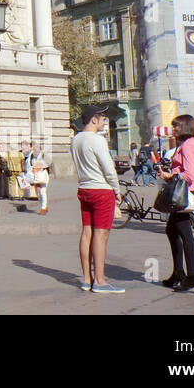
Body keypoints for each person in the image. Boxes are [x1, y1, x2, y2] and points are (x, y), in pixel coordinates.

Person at [71, 104, 124, 294]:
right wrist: (117, 190)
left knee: (87, 232)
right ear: (93, 119)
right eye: (102, 117)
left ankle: (86, 279)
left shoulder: (76, 140)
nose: (104, 121)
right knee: (101, 235)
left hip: (84, 189)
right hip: (101, 190)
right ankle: (100, 281)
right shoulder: (97, 140)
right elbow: (108, 169)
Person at [157, 114, 194, 292]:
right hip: (189, 191)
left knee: (185, 233)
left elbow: (189, 175)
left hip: (186, 193)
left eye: (176, 127)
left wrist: (169, 176)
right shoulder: (192, 143)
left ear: (185, 126)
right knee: (172, 230)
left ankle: (191, 276)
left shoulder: (188, 145)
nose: (174, 129)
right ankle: (179, 273)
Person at [28, 141, 51, 214]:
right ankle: (44, 205)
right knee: (37, 193)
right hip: (35, 175)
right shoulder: (31, 155)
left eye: (36, 148)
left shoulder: (43, 154)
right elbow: (30, 164)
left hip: (42, 174)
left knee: (42, 192)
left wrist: (40, 167)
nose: (34, 149)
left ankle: (43, 208)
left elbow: (48, 163)